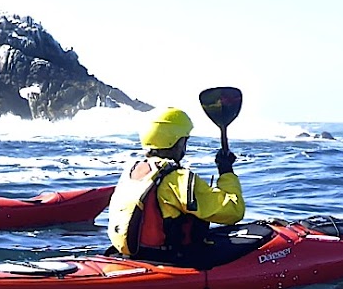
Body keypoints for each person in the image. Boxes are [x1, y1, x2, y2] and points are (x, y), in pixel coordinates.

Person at [107, 106, 257, 268]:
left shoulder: (133, 170)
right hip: (169, 259)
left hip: (131, 255)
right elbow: (233, 211)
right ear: (176, 141)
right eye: (184, 140)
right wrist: (226, 171)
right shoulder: (177, 178)